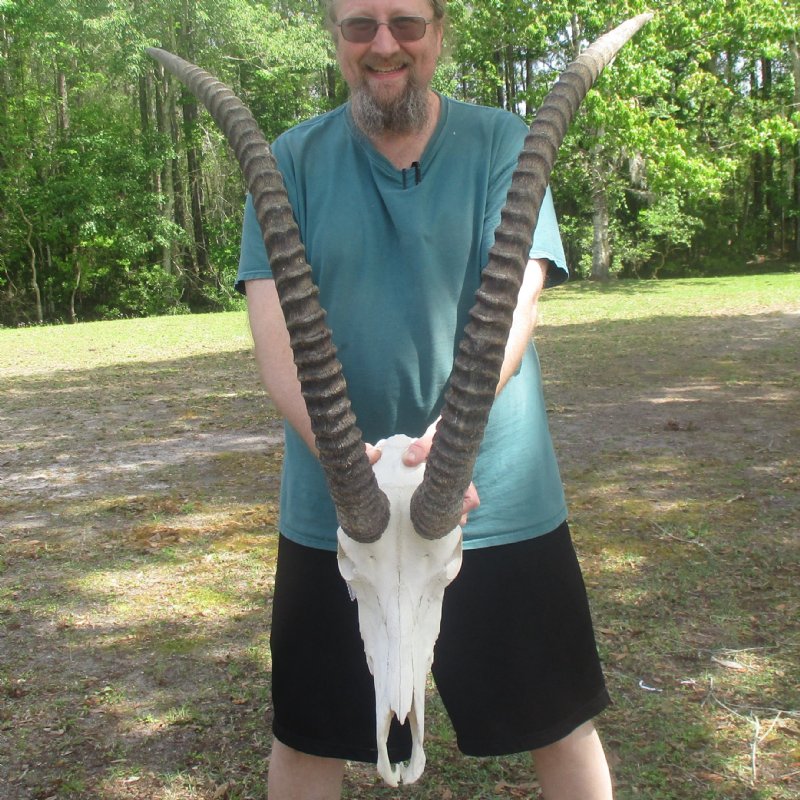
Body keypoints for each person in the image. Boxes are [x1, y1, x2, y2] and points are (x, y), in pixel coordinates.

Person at [236, 1, 613, 797]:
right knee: (308, 738)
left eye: (406, 22)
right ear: (334, 37)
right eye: (359, 25)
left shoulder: (501, 143)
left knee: (560, 726)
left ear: (441, 31)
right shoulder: (290, 161)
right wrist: (355, 470)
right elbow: (277, 346)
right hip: (337, 507)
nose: (384, 44)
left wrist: (450, 446)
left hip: (489, 494)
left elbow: (517, 301)